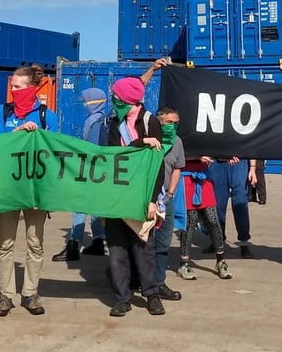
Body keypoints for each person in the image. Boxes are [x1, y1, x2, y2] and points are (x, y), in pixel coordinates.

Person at [0, 64, 55, 317]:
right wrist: (16, 132)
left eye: (17, 87)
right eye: (11, 86)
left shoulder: (48, 116)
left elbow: (55, 156)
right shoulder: (1, 113)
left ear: (31, 88)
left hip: (35, 193)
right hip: (7, 190)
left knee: (35, 244)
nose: (13, 91)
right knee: (5, 244)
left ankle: (30, 294)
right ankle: (5, 296)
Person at [103, 77, 166, 317]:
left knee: (143, 249)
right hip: (117, 196)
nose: (114, 100)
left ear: (128, 99)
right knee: (117, 249)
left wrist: (152, 200)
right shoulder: (113, 123)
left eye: (117, 97)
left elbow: (157, 167)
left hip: (141, 196)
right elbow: (112, 155)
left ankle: (152, 294)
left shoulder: (151, 122)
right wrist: (140, 144)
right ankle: (122, 298)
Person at [51, 88, 109, 262]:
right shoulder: (105, 119)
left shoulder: (92, 120)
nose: (84, 104)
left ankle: (73, 244)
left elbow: (88, 146)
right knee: (97, 207)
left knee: (79, 207)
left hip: (88, 169)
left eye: (86, 101)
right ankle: (99, 241)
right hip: (102, 171)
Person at [177, 155, 232, 281]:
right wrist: (195, 158)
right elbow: (175, 153)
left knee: (213, 220)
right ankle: (184, 264)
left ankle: (221, 261)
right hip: (186, 176)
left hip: (204, 176)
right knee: (190, 221)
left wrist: (229, 156)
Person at [152, 107, 186, 302]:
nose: (172, 126)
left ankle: (159, 282)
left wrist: (171, 193)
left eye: (176, 123)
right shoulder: (150, 140)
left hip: (166, 200)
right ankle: (140, 280)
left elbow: (176, 169)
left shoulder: (177, 142)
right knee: (144, 243)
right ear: (160, 123)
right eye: (169, 123)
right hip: (147, 200)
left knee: (163, 243)